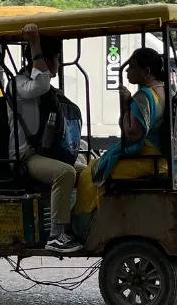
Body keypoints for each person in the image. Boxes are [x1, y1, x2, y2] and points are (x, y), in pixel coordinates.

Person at [72, 48, 170, 238]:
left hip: (147, 159)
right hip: (164, 159)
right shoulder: (164, 88)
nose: (127, 71)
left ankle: (85, 230)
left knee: (90, 174)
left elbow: (132, 134)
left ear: (146, 72)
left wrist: (125, 105)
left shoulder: (144, 97)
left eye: (131, 68)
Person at [8, 24, 80, 253]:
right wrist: (34, 43)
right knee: (65, 172)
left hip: (43, 154)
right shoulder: (19, 84)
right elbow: (39, 84)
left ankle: (78, 224)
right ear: (47, 61)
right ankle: (57, 235)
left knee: (85, 170)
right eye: (57, 59)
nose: (59, 64)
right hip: (24, 157)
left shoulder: (47, 90)